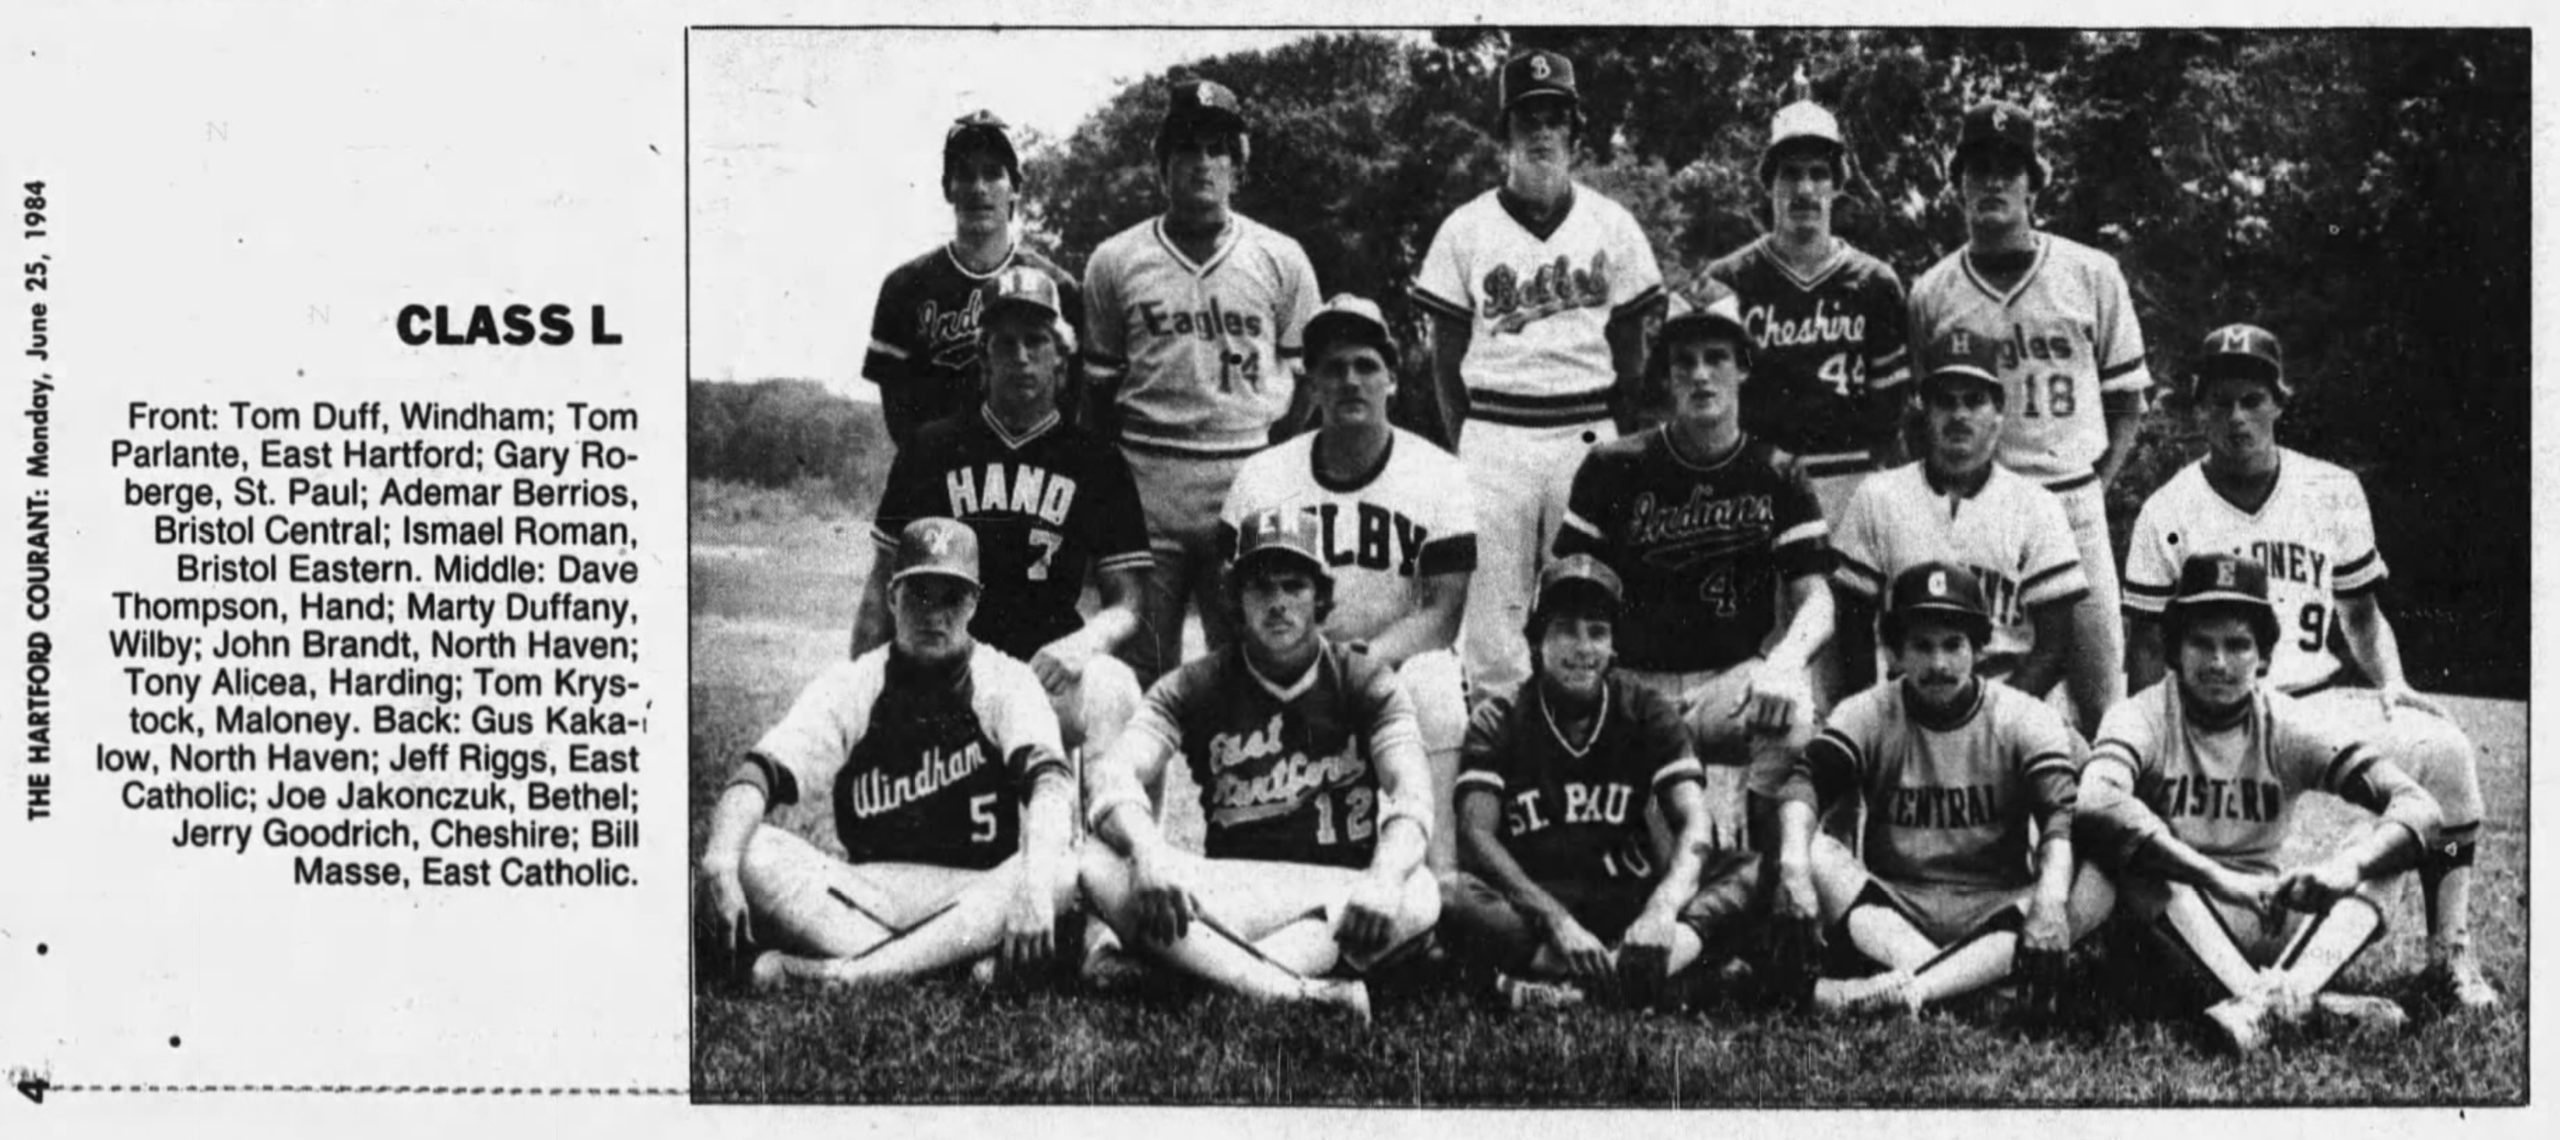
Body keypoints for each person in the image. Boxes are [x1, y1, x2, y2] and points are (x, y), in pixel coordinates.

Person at [2120, 324, 2496, 1010]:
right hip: (2219, 715)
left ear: (2279, 403)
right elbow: (2145, 646)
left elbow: (2361, 615)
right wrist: (2157, 740)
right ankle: (2256, 968)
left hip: (2317, 698)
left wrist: (2393, 682)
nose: (2238, 417)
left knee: (2443, 751)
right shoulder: (2165, 510)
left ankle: (2450, 957)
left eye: (2253, 399)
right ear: (2199, 408)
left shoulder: (2332, 489)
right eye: (2222, 401)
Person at [1078, 508, 1441, 1018]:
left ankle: (1199, 982)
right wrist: (1148, 852)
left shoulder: (1363, 678)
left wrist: (1383, 878)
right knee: (1097, 863)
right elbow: (1114, 773)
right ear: (1234, 598)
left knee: (1419, 889)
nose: (1278, 604)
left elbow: (1411, 792)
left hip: (1331, 893)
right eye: (1260, 587)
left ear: (1321, 597)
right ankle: (1292, 994)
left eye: (1294, 586)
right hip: (1233, 891)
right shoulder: (1198, 681)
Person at [2081, 552, 2444, 1052]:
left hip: (2264, 910)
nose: (2218, 663)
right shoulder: (2140, 716)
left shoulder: (2287, 723)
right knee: (2132, 854)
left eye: (2238, 645)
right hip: (2174, 922)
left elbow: (2421, 807)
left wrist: (2347, 867)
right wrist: (2214, 876)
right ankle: (2296, 1001)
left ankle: (2264, 1004)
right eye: (2201, 643)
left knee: (2380, 853)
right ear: (2174, 649)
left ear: (2265, 656)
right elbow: (2095, 801)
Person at [700, 518, 1078, 989]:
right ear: (892, 595)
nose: (934, 614)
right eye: (919, 593)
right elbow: (761, 772)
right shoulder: (854, 683)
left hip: (976, 891)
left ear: (975, 602)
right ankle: (951, 970)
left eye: (952, 597)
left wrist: (1035, 888)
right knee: (750, 852)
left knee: (1061, 868)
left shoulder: (1007, 680)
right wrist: (719, 858)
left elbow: (1050, 785)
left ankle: (849, 974)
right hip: (870, 891)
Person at [1410, 48, 1667, 702]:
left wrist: (1619, 439)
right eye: (1528, 120)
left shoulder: (1613, 223)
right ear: (1505, 134)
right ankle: (1501, 752)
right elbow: (1445, 356)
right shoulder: (1466, 228)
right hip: (1495, 430)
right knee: (1492, 623)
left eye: (1556, 118)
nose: (1543, 132)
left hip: (1586, 431)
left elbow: (1632, 348)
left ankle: (1585, 745)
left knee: (1585, 604)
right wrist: (1466, 441)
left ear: (1576, 132)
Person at [1553, 282, 1831, 853]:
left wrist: (1784, 663)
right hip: (1629, 686)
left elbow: (1817, 598)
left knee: (1795, 716)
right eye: (1685, 362)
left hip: (1730, 684)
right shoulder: (1614, 464)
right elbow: (1567, 591)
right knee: (1647, 860)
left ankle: (1774, 885)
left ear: (1743, 368)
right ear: (1665, 376)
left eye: (1717, 359)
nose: (1701, 375)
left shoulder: (1777, 471)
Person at [1771, 562, 2111, 1018]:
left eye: (1953, 645)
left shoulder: (2021, 715)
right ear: (1895, 652)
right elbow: (1805, 781)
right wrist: (1793, 865)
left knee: (2091, 868)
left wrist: (2049, 901)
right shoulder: (1869, 711)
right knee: (1808, 848)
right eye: (1921, 646)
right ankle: (1970, 993)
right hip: (1894, 908)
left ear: (1978, 648)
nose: (1938, 664)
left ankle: (1913, 991)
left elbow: (2058, 816)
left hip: (1996, 909)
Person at [1907, 98, 2149, 734]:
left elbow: (2127, 402)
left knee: (2102, 700)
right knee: (1974, 690)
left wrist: (2098, 486)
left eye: (2008, 169)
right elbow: (1920, 417)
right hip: (1980, 507)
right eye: (1978, 168)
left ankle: (2104, 830)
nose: (1992, 183)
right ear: (1958, 183)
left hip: (2071, 499)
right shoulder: (1932, 291)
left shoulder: (2092, 272)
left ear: (2033, 184)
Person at [1218, 294, 1476, 872]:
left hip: (1397, 661)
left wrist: (1364, 661)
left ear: (1392, 380)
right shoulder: (1263, 475)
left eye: (1365, 366)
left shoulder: (1438, 473)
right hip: (1288, 664)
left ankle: (1444, 877)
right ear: (1311, 383)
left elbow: (1444, 612)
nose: (1350, 381)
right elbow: (1234, 600)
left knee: (1436, 683)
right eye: (1332, 368)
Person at [1082, 78, 1324, 688]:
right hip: (1147, 479)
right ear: (1162, 166)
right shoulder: (1115, 259)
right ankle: (1130, 789)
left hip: (1244, 474)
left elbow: (1306, 385)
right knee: (1138, 671)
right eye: (1187, 150)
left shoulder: (1282, 257)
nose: (1203, 164)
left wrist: (1267, 456)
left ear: (1238, 168)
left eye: (1219, 150)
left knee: (1251, 667)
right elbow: (1098, 393)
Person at [856, 266, 1151, 759]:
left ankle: (1107, 829)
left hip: (1047, 667)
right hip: (950, 664)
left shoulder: (1096, 460)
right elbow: (881, 585)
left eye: (1036, 342)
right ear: (983, 358)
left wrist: (1085, 643)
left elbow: (1130, 602)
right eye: (1004, 343)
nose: (1021, 358)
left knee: (1114, 685)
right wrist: (864, 691)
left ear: (1062, 357)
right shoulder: (931, 448)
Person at [1440, 555, 1748, 1010]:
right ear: (1536, 641)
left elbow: (1696, 821)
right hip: (1540, 905)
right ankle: (1648, 983)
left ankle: (1572, 992)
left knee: (1756, 871)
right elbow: (1475, 835)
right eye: (1565, 629)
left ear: (1614, 648)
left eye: (1597, 632)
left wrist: (1662, 909)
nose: (1582, 647)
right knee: (1449, 894)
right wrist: (1557, 922)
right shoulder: (1501, 717)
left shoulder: (1646, 710)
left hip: (1629, 900)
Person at [1831, 327, 2088, 705]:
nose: (1959, 415)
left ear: (1998, 412)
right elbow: (1852, 630)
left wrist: (1990, 721)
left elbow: (2054, 648)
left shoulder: (2037, 506)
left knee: (2072, 757)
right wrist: (1877, 719)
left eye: (1974, 401)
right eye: (1945, 402)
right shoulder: (1879, 496)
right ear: (1925, 411)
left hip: (2009, 699)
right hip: (1907, 700)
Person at [1704, 98, 1911, 523]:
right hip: (1756, 490)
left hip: (1853, 487)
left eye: (1818, 174)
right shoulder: (1728, 280)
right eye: (1790, 174)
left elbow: (1892, 416)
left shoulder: (1875, 283)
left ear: (1837, 185)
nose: (1804, 190)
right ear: (1769, 183)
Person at [862, 110, 1083, 451]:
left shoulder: (1058, 288)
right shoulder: (905, 287)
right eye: (965, 175)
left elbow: (1074, 401)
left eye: (993, 174)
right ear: (948, 190)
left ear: (1015, 188)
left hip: (1035, 478)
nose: (978, 188)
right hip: (939, 477)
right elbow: (899, 417)